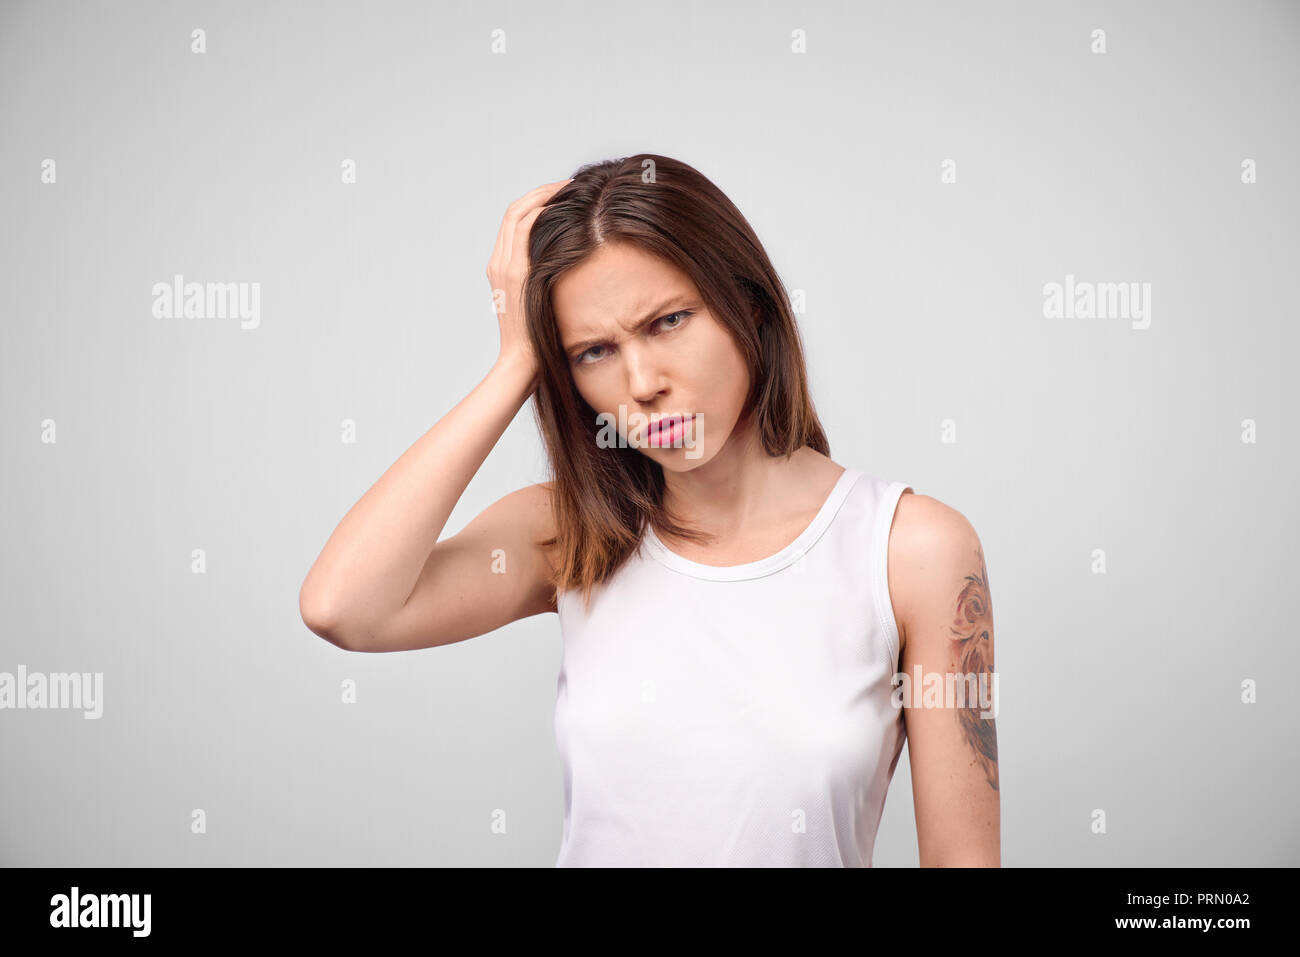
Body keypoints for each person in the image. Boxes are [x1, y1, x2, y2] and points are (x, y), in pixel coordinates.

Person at [299, 154, 1000, 867]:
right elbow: (344, 607)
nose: (640, 382)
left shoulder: (911, 550)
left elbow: (964, 860)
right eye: (594, 351)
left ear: (749, 305)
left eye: (667, 321)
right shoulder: (567, 536)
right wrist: (516, 362)